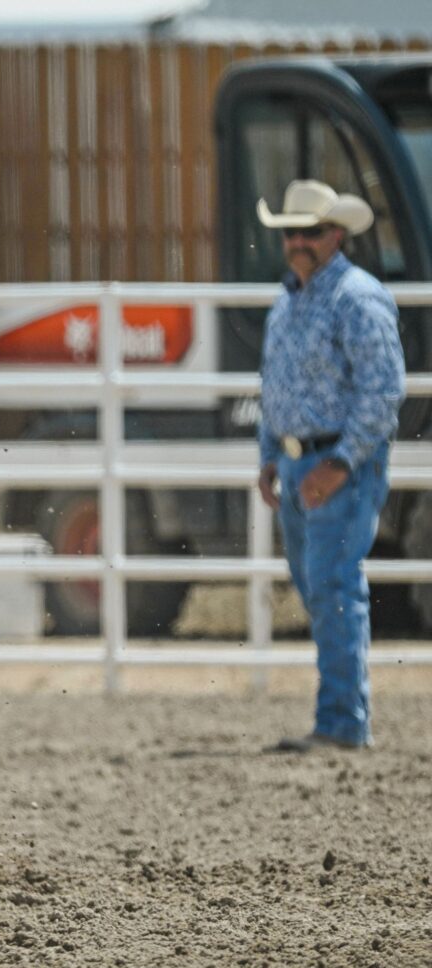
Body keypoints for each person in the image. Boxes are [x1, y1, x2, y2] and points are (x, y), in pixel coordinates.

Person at [255, 180, 405, 753]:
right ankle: (341, 715)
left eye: (310, 232)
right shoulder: (291, 299)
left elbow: (382, 390)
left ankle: (342, 722)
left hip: (337, 464)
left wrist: (341, 462)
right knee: (320, 587)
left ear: (335, 235)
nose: (298, 242)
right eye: (290, 232)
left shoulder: (356, 298)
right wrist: (270, 454)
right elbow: (275, 383)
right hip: (302, 462)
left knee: (333, 586)